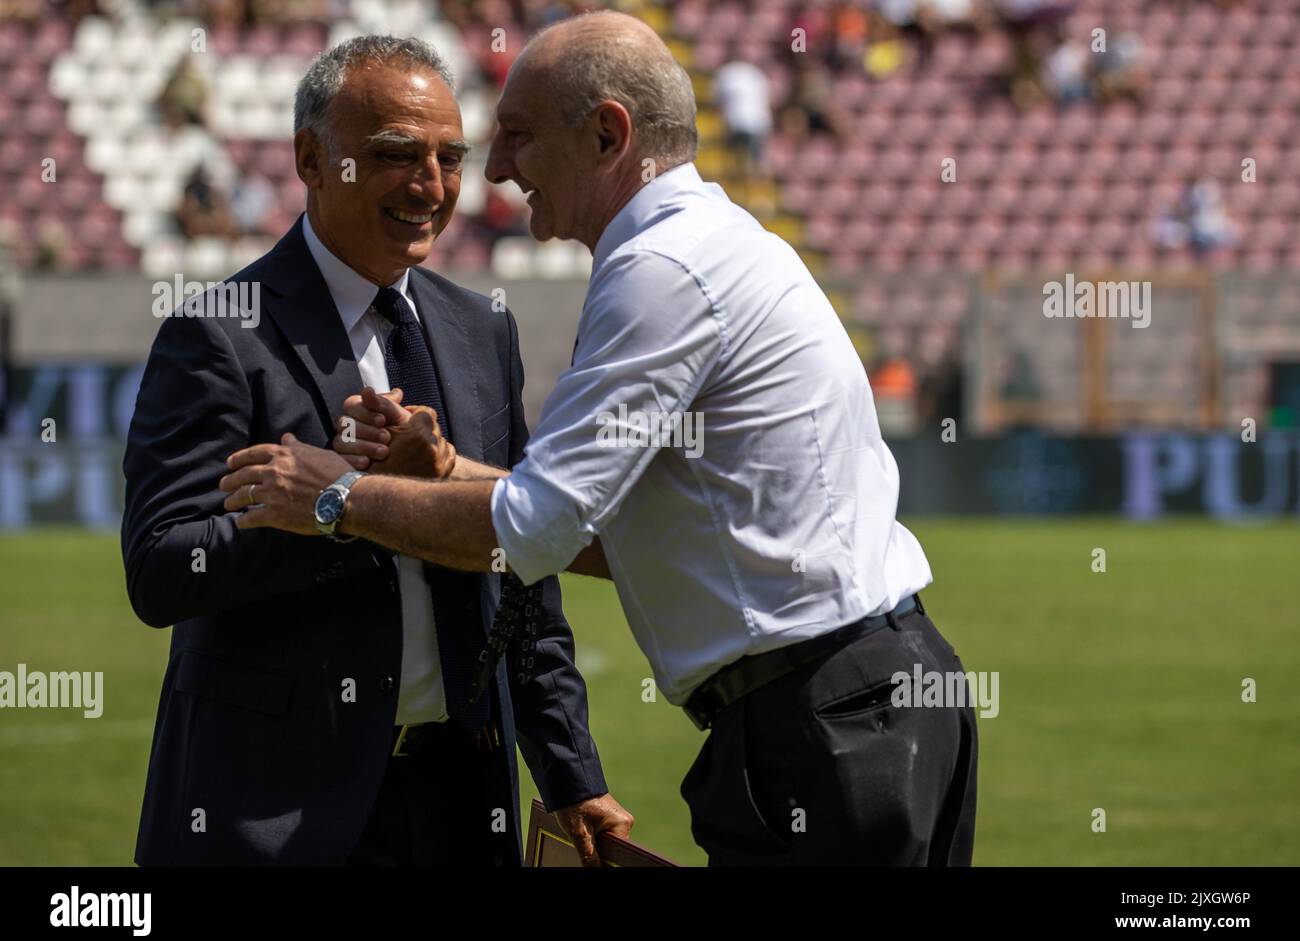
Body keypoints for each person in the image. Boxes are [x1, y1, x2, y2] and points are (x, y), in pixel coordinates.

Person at [219, 13, 978, 866]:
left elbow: (537, 530)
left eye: (517, 136)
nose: (498, 170)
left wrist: (335, 497)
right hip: (867, 703)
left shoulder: (660, 271)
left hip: (824, 723)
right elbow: (618, 531)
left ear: (608, 134)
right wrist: (447, 470)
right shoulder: (712, 242)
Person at [123, 34, 628, 866]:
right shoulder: (217, 333)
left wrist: (570, 769)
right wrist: (343, 507)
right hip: (272, 814)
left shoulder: (479, 329)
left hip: (460, 806)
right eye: (395, 154)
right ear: (313, 159)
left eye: (449, 157)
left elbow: (523, 568)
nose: (430, 186)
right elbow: (160, 567)